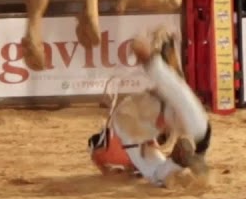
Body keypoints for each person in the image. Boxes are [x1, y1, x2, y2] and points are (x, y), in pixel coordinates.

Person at [87, 28, 211, 189]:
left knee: (157, 174)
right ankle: (189, 153)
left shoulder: (112, 147)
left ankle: (182, 158)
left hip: (133, 124)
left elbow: (101, 154)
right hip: (137, 120)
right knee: (184, 104)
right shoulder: (112, 145)